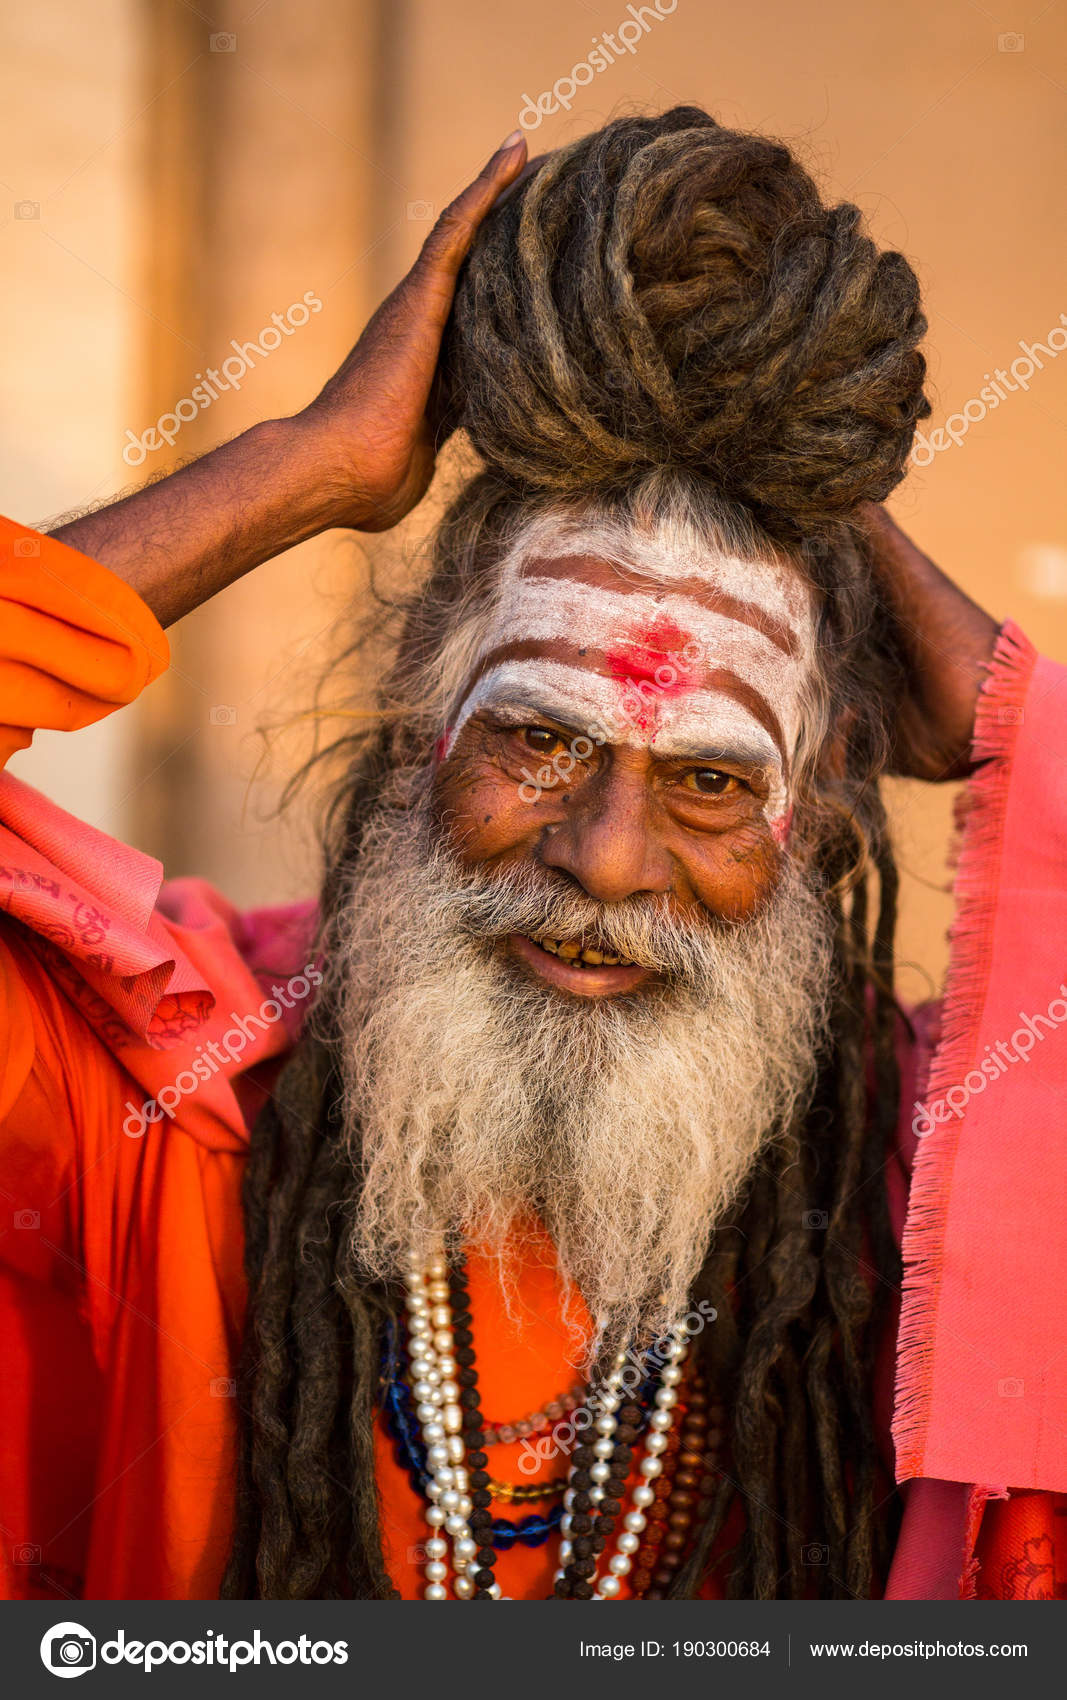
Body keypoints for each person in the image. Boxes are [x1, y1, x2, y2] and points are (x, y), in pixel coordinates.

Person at [2, 106, 1066, 1604]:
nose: (608, 860)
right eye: (541, 740)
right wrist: (300, 469)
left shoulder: (948, 1202)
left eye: (709, 777)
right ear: (419, 720)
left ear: (822, 803)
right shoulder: (175, 1100)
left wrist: (1006, 716)